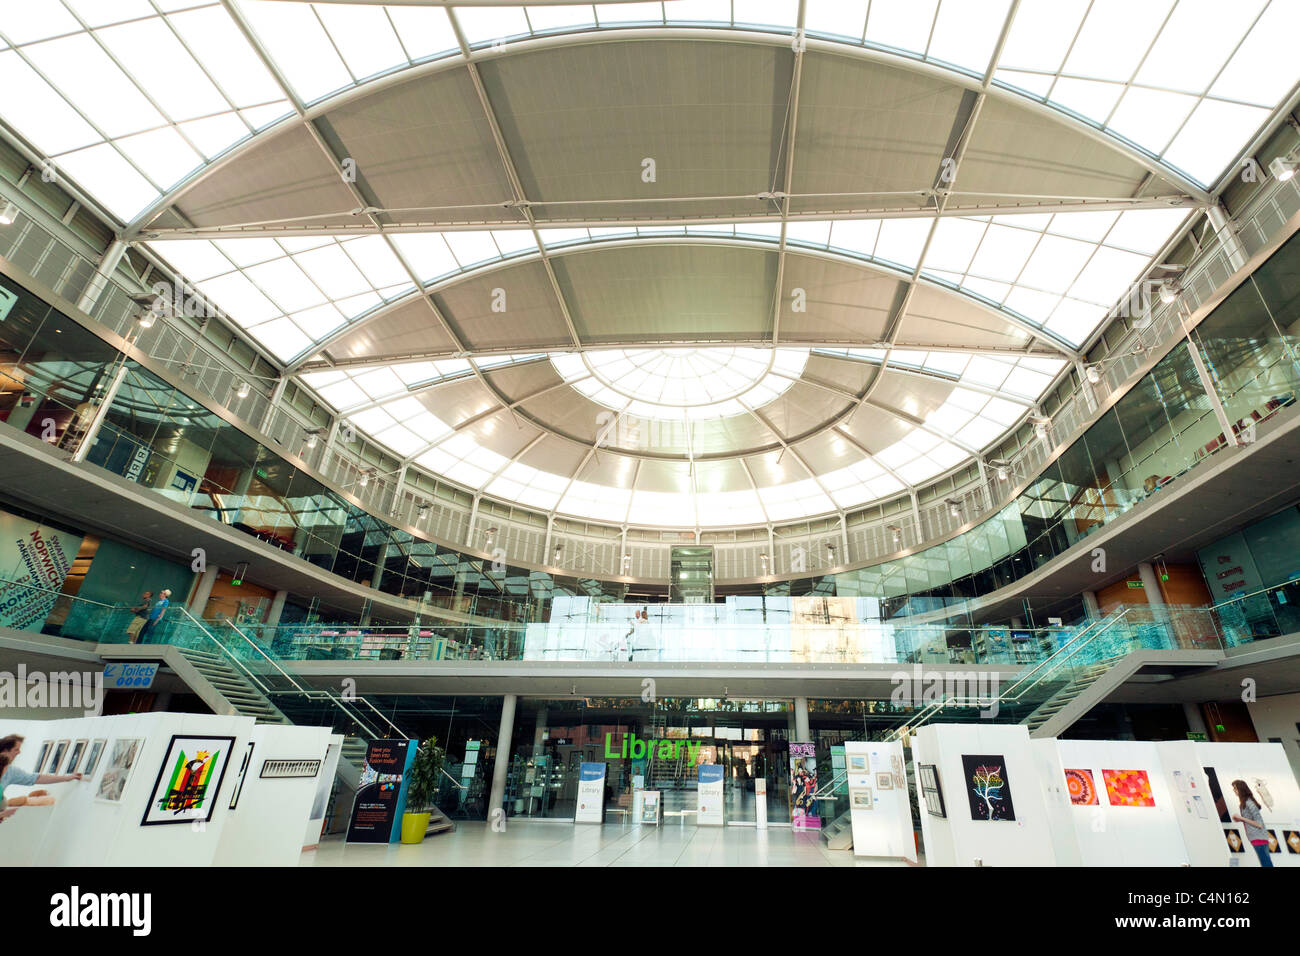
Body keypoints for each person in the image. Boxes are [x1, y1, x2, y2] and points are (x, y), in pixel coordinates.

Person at [1230, 779, 1273, 867]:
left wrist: (1241, 818)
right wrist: (1241, 819)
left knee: (1265, 863)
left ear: (1241, 789)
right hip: (1254, 838)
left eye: (1235, 788)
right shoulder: (1244, 804)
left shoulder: (1250, 803)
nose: (1234, 790)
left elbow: (1259, 824)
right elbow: (1250, 820)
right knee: (1264, 863)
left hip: (1259, 838)